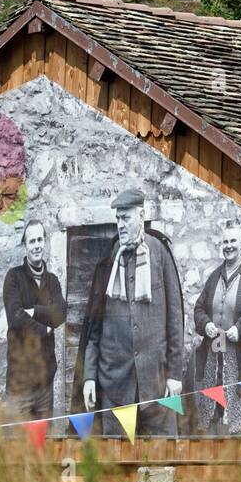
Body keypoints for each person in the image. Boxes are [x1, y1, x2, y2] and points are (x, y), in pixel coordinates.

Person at [82, 188, 185, 438]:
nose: (120, 224)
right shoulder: (108, 261)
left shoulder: (159, 254)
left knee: (162, 463)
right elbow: (93, 328)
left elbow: (175, 318)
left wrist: (174, 374)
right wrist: (89, 377)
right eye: (118, 218)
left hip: (158, 385)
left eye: (126, 218)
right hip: (115, 384)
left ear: (142, 215)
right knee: (117, 466)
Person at [194, 221, 241, 434]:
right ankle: (218, 440)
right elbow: (199, 308)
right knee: (214, 405)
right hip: (214, 354)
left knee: (240, 411)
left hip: (240, 355)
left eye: (233, 240)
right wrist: (206, 323)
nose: (228, 245)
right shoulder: (215, 276)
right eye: (225, 241)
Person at [2, 219, 66, 419]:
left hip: (44, 386)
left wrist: (34, 311)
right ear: (25, 246)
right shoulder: (13, 278)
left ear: (45, 242)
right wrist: (45, 330)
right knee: (16, 445)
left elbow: (61, 314)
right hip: (19, 385)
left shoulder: (53, 281)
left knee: (43, 445)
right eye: (32, 241)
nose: (37, 245)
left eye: (40, 240)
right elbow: (15, 318)